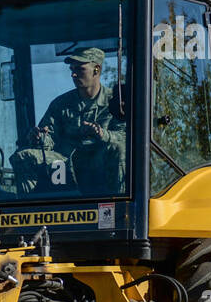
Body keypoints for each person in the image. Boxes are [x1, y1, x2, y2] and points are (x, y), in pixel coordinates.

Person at [11, 47, 125, 194]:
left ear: (96, 70)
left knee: (121, 150)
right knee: (24, 156)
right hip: (65, 163)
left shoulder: (117, 101)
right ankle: (29, 211)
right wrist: (40, 137)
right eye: (72, 69)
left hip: (100, 162)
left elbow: (127, 137)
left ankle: (121, 211)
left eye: (80, 69)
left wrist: (103, 134)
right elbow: (48, 138)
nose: (73, 74)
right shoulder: (61, 104)